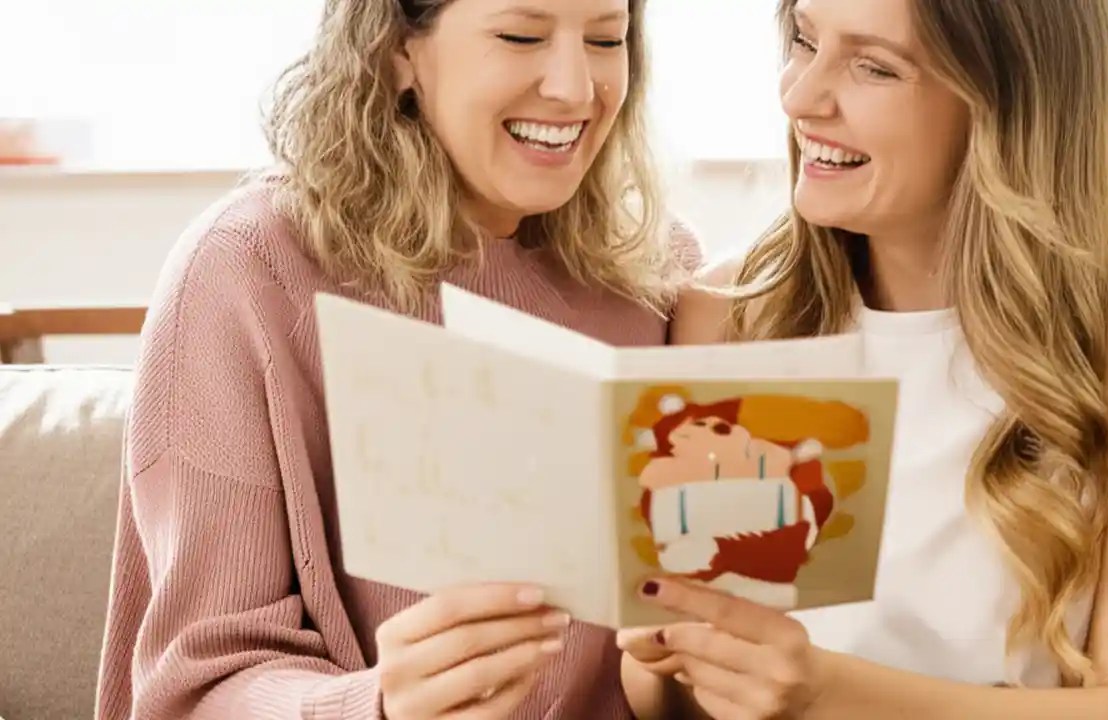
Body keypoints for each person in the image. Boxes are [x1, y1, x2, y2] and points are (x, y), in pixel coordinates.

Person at [619, 0, 1108, 718]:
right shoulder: (730, 311)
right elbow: (662, 698)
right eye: (804, 39)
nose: (799, 96)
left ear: (1007, 105)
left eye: (873, 67)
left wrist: (824, 692)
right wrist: (665, 662)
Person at [94, 0, 700, 718]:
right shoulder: (245, 269)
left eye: (607, 39)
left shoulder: (653, 271)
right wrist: (378, 707)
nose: (576, 87)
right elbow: (198, 690)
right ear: (398, 49)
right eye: (520, 35)